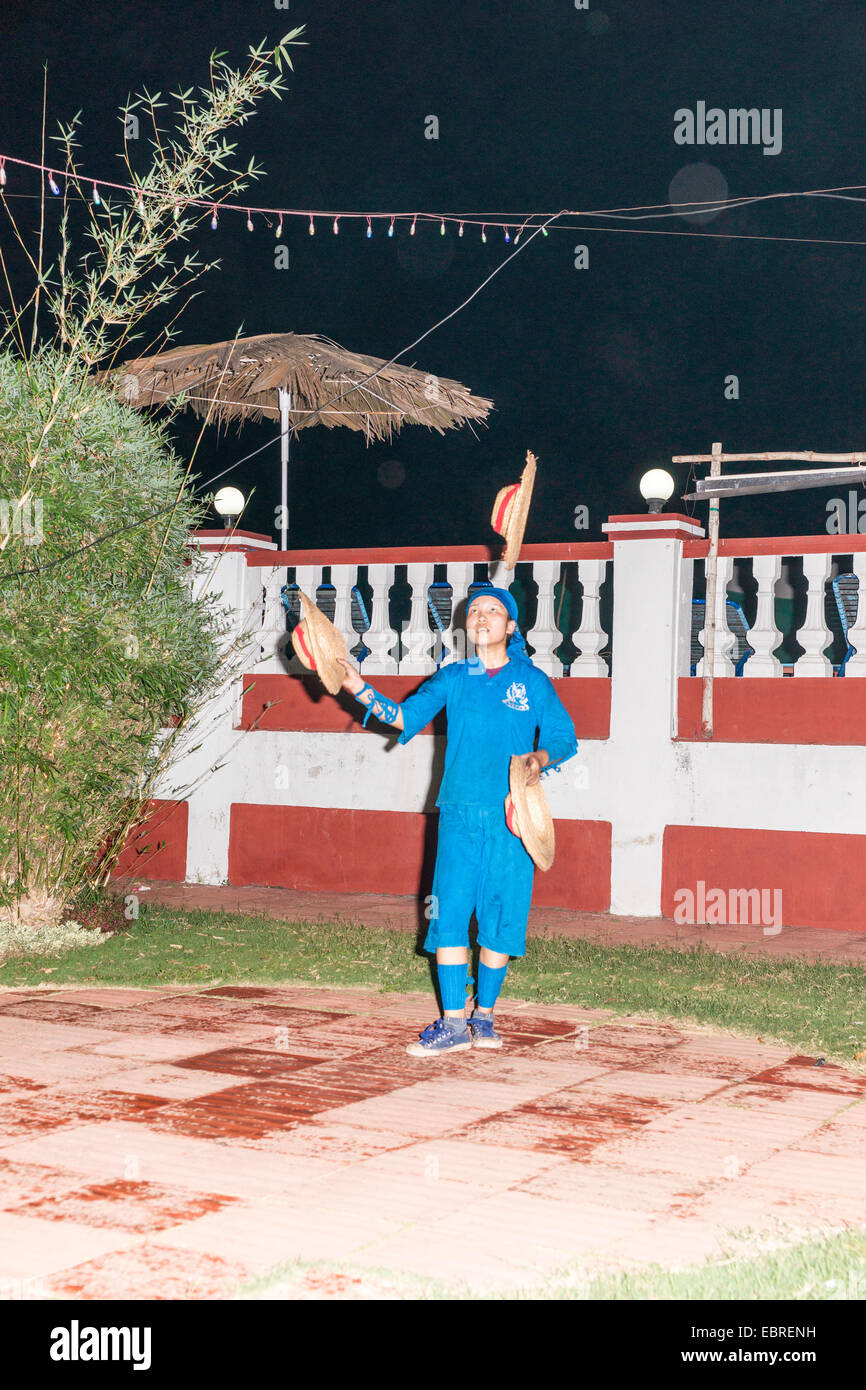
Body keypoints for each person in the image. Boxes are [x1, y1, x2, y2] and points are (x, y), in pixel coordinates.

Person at [336, 586, 577, 1056]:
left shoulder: (532, 682)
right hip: (459, 815)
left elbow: (565, 737)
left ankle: (483, 1017)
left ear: (511, 627)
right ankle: (452, 1023)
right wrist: (357, 687)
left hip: (512, 819)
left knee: (501, 916)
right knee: (447, 913)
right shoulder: (453, 677)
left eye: (493, 611)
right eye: (474, 612)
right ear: (467, 626)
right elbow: (403, 715)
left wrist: (539, 757)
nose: (481, 616)